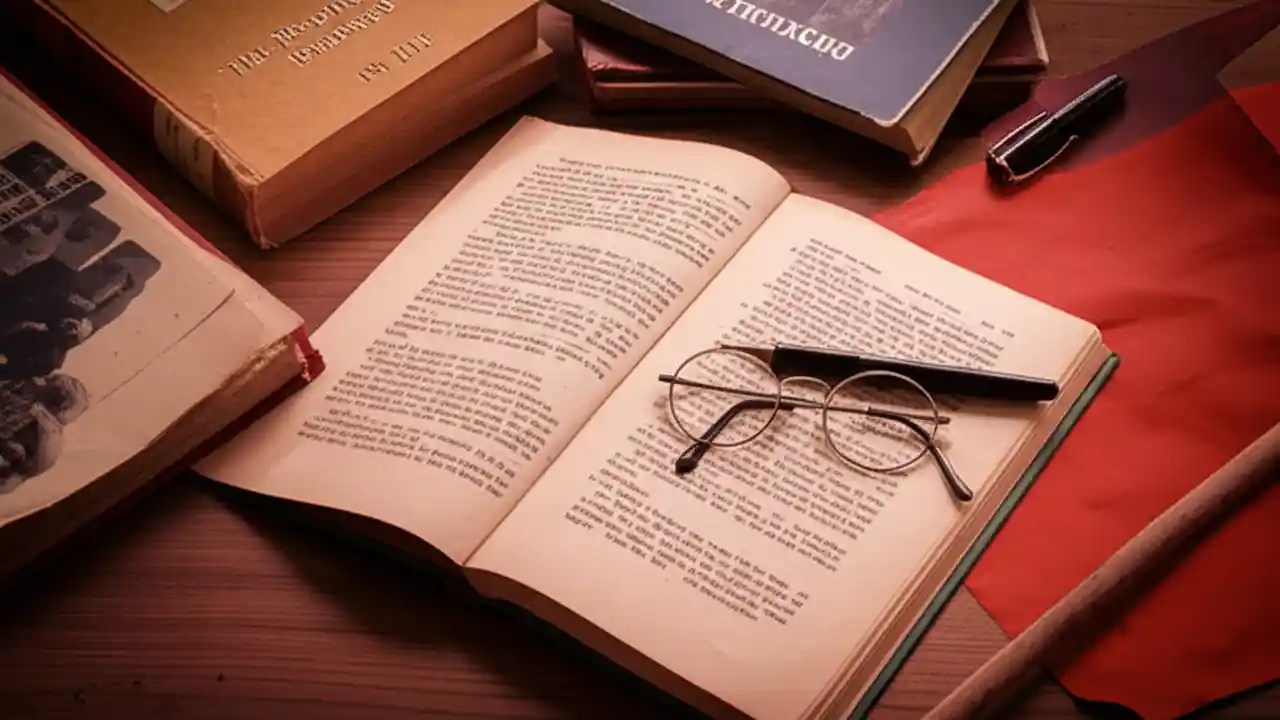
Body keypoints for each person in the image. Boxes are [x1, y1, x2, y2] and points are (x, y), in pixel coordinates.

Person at [0, 373, 89, 493]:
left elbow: (15, 476)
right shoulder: (24, 400)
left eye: (49, 380)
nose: (40, 381)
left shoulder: (46, 437)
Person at [0, 316, 94, 381]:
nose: (67, 324)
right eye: (73, 323)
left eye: (73, 328)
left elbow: (15, 367)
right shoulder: (45, 328)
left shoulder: (52, 359)